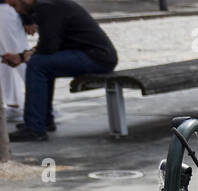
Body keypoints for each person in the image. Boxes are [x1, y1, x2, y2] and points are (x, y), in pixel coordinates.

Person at [2, 0, 117, 142]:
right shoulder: (47, 5)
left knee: (38, 65)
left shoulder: (46, 7)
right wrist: (21, 57)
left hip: (96, 57)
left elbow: (49, 47)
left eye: (14, 5)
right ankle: (43, 120)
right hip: (95, 55)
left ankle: (35, 128)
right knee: (43, 64)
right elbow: (49, 44)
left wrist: (23, 57)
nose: (16, 11)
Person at [0, 2, 26, 123]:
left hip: (5, 8)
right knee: (4, 59)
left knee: (18, 56)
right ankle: (12, 104)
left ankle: (46, 104)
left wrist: (27, 17)